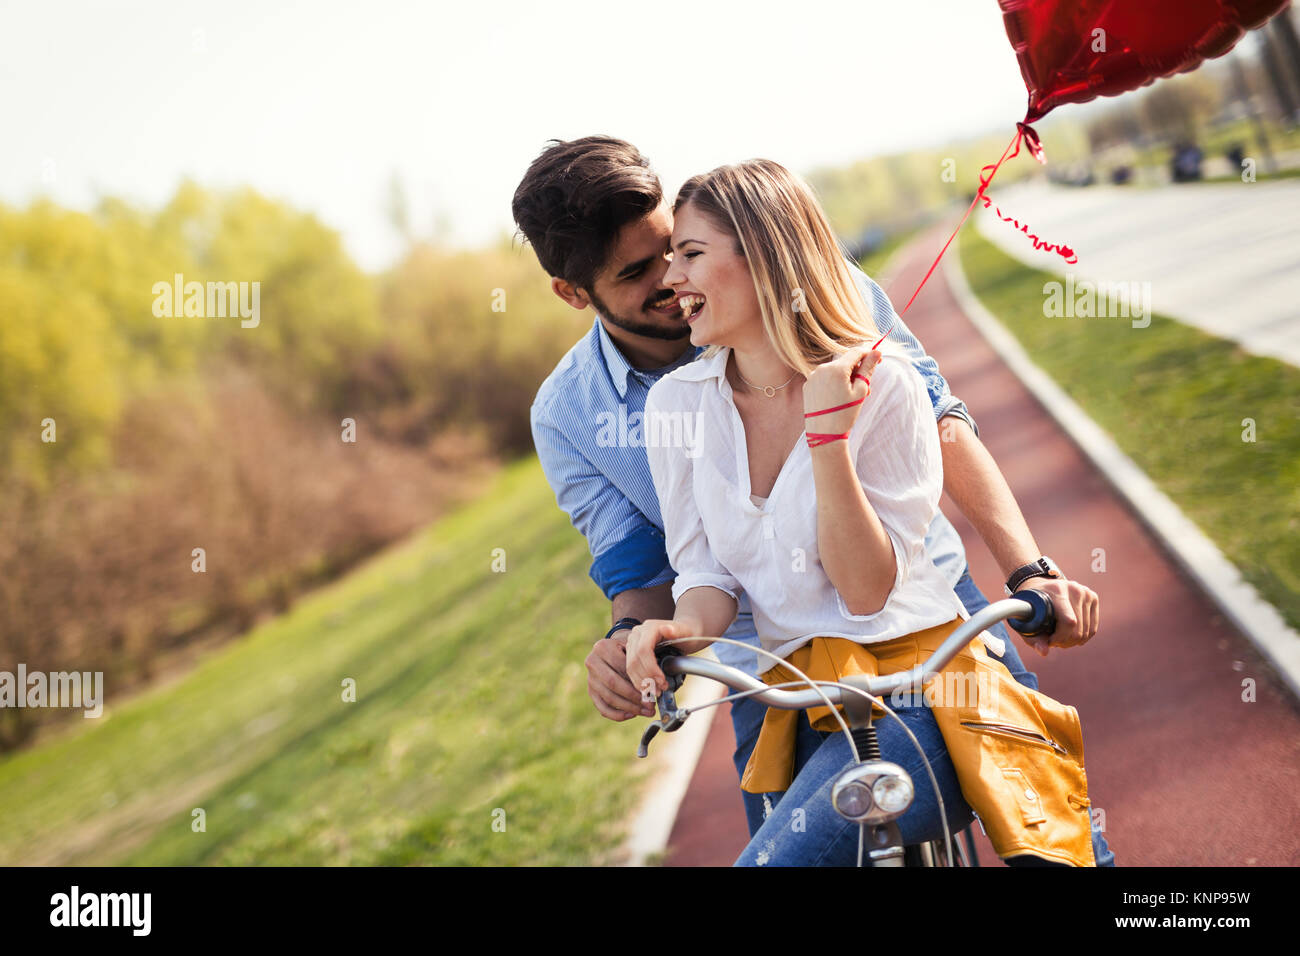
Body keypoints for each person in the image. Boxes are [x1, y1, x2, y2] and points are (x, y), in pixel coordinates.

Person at [514, 136, 1113, 864]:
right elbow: (654, 564)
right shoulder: (590, 413)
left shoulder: (829, 296)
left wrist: (1028, 570)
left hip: (915, 610)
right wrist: (635, 641)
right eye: (639, 272)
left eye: (678, 248)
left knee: (1051, 822)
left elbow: (939, 424)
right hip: (762, 653)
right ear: (575, 294)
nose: (671, 278)